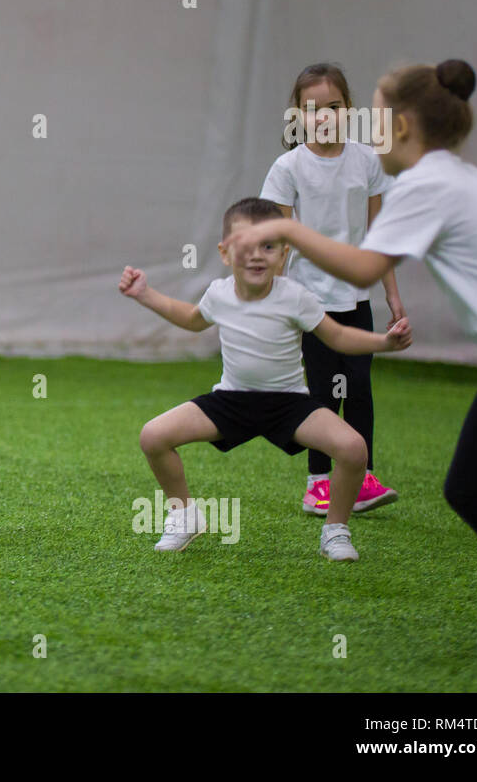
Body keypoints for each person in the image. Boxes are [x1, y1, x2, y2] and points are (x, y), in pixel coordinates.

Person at [228, 61, 477, 657]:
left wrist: (286, 235)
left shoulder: (427, 185)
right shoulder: (448, 177)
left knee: (472, 486)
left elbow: (365, 266)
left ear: (398, 128)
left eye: (367, 112)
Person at [120, 197, 411, 560]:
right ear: (225, 253)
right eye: (245, 245)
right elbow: (192, 319)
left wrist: (383, 342)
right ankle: (185, 516)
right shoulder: (219, 293)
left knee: (353, 449)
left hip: (289, 404)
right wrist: (145, 294)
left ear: (283, 254)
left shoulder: (296, 297)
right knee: (153, 436)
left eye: (268, 246)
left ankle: (335, 530)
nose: (257, 255)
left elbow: (337, 336)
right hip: (231, 401)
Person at [261, 63, 404, 516]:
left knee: (359, 388)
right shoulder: (288, 168)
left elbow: (379, 236)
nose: (324, 116)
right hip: (309, 300)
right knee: (323, 392)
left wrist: (392, 295)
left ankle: (362, 478)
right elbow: (280, 241)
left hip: (356, 297)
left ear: (349, 109)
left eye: (334, 106)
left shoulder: (367, 161)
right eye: (312, 109)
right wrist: (274, 302)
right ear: (297, 116)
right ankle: (318, 483)